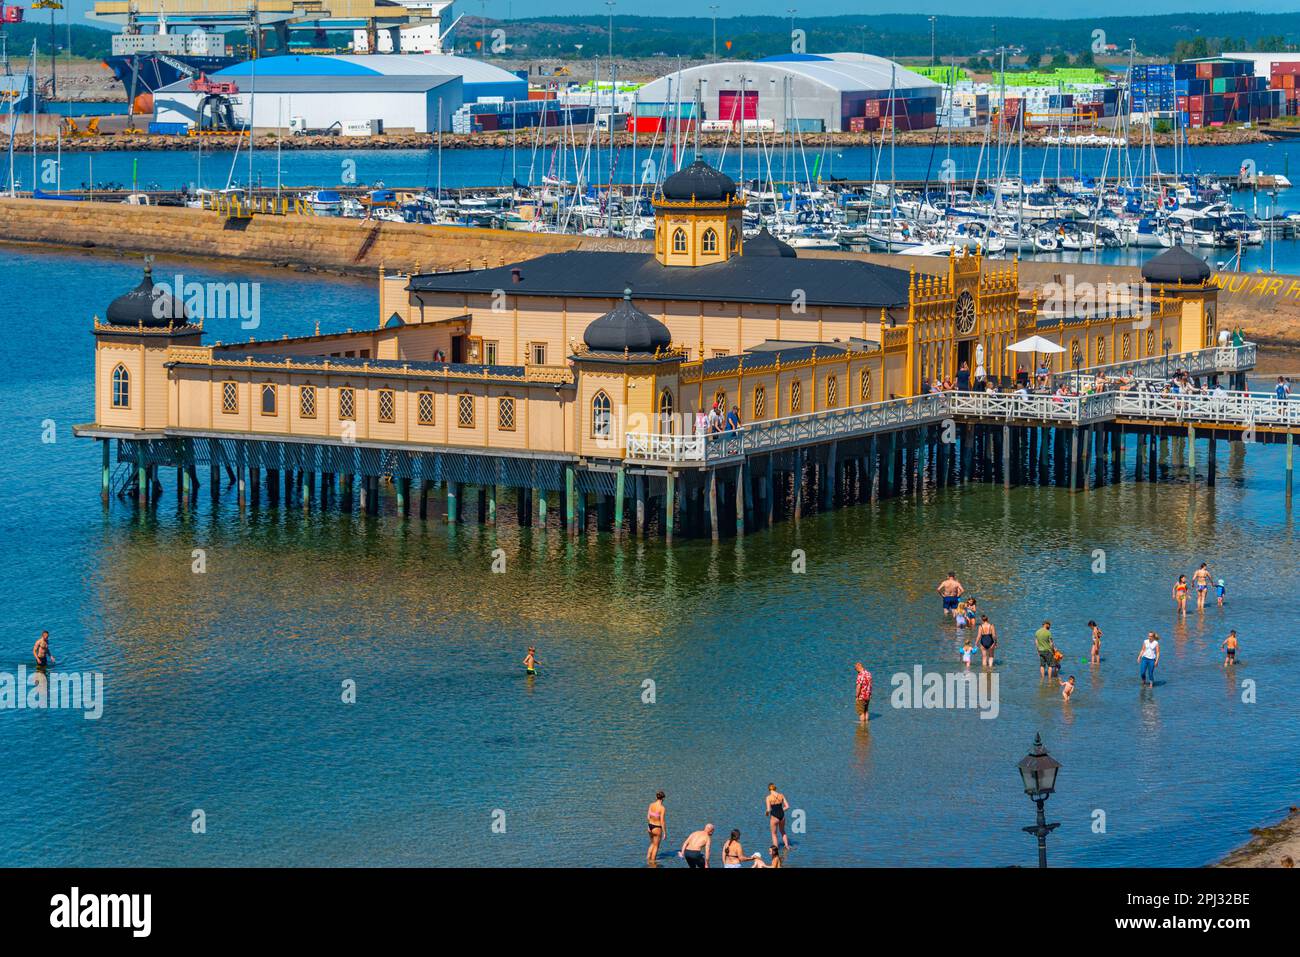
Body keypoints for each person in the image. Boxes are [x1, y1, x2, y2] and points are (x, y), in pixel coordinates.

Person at [765, 784, 791, 851]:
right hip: (782, 816)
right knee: (783, 831)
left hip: (774, 817)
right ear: (775, 788)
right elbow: (787, 806)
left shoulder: (768, 797)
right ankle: (787, 846)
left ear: (769, 789)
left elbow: (768, 809)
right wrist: (781, 810)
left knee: (774, 834)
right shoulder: (781, 795)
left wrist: (766, 813)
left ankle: (775, 849)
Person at [646, 791, 667, 865]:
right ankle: (653, 863)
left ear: (656, 797)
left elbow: (648, 817)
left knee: (652, 843)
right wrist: (664, 832)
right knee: (656, 846)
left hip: (650, 826)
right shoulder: (662, 808)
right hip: (657, 827)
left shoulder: (651, 805)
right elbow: (662, 821)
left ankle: (648, 859)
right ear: (663, 798)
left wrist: (652, 820)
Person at [854, 661, 873, 726]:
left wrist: (856, 696)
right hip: (868, 695)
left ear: (859, 667)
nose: (856, 671)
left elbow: (858, 686)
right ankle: (866, 724)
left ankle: (862, 727)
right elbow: (870, 685)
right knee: (866, 711)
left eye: (856, 669)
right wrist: (870, 694)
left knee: (861, 712)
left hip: (861, 696)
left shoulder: (860, 675)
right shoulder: (868, 674)